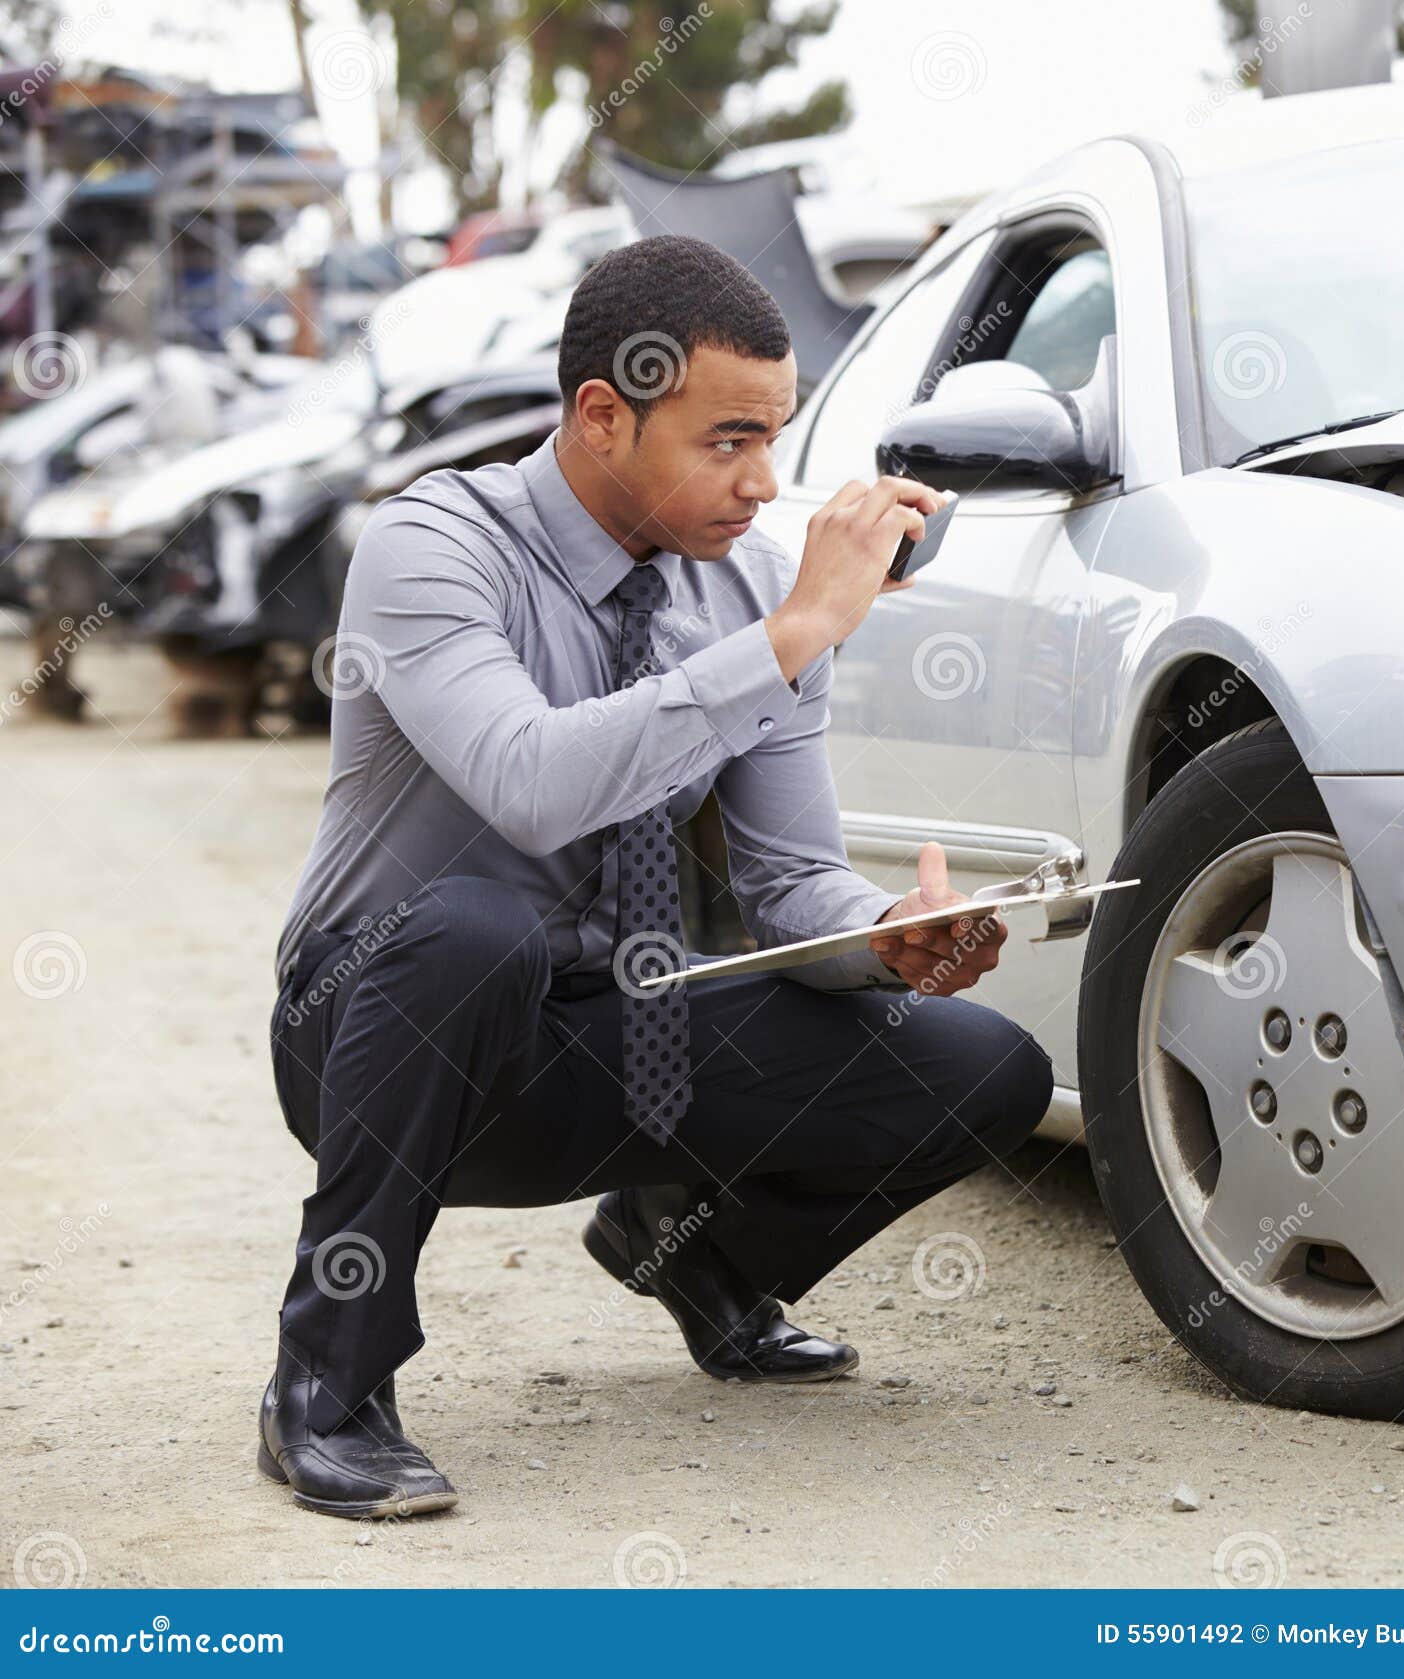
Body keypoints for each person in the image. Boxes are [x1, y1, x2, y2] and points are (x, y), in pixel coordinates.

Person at [259, 234, 1056, 1519]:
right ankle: (326, 1385)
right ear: (601, 415)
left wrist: (889, 933)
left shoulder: (742, 585)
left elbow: (793, 886)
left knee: (986, 1066)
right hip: (382, 1038)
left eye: (774, 437)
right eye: (726, 438)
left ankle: (689, 1248)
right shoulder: (433, 545)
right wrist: (789, 637)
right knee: (478, 926)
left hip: (612, 1034)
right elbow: (531, 783)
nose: (763, 481)